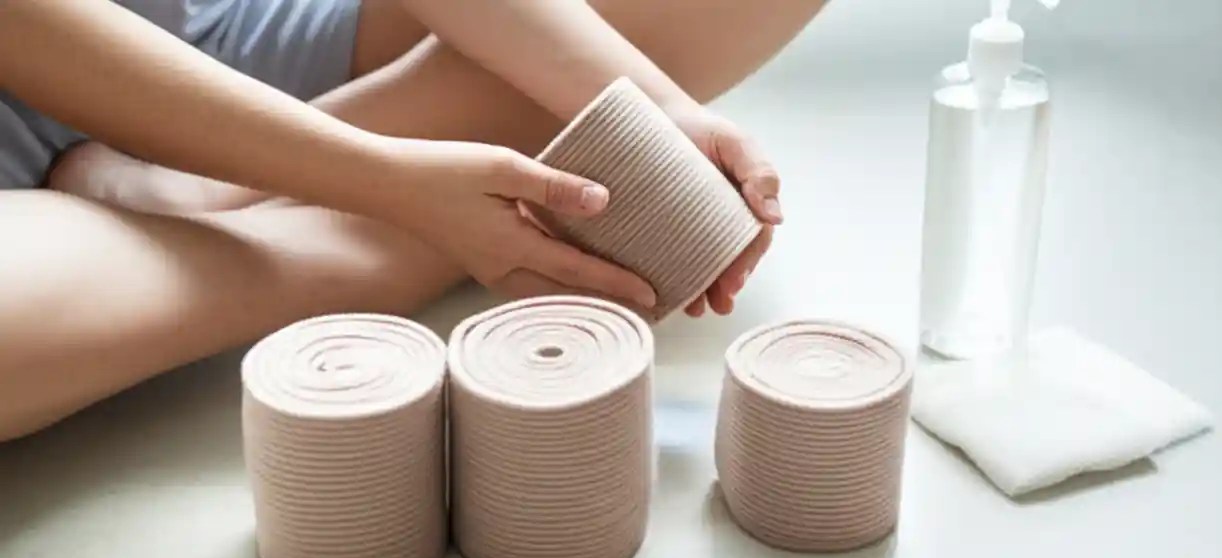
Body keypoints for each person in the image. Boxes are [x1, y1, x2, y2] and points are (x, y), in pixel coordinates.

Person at [0, 0, 825, 441]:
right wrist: (385, 182)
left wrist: (654, 107)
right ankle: (349, 250)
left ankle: (200, 203)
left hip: (189, 36)